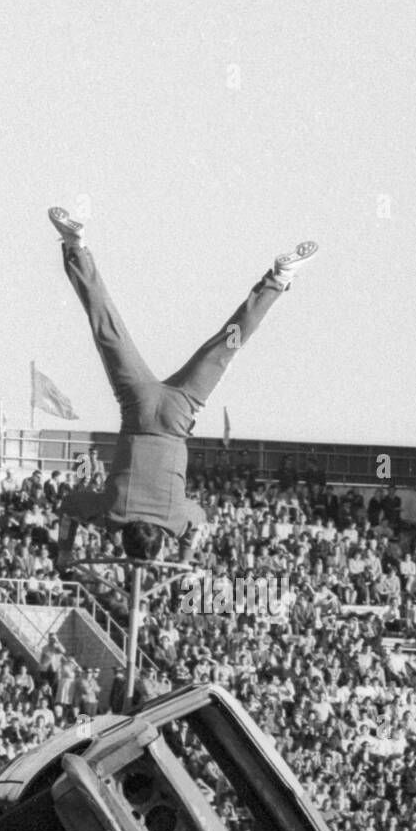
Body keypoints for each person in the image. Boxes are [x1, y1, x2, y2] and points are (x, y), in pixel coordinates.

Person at [49, 205, 318, 564]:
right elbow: (67, 507)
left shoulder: (175, 520)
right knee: (107, 328)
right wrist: (65, 552)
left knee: (227, 344)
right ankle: (75, 246)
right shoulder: (109, 513)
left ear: (160, 541)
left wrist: (186, 560)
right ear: (122, 539)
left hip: (178, 415)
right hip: (139, 407)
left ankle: (278, 279)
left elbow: (200, 522)